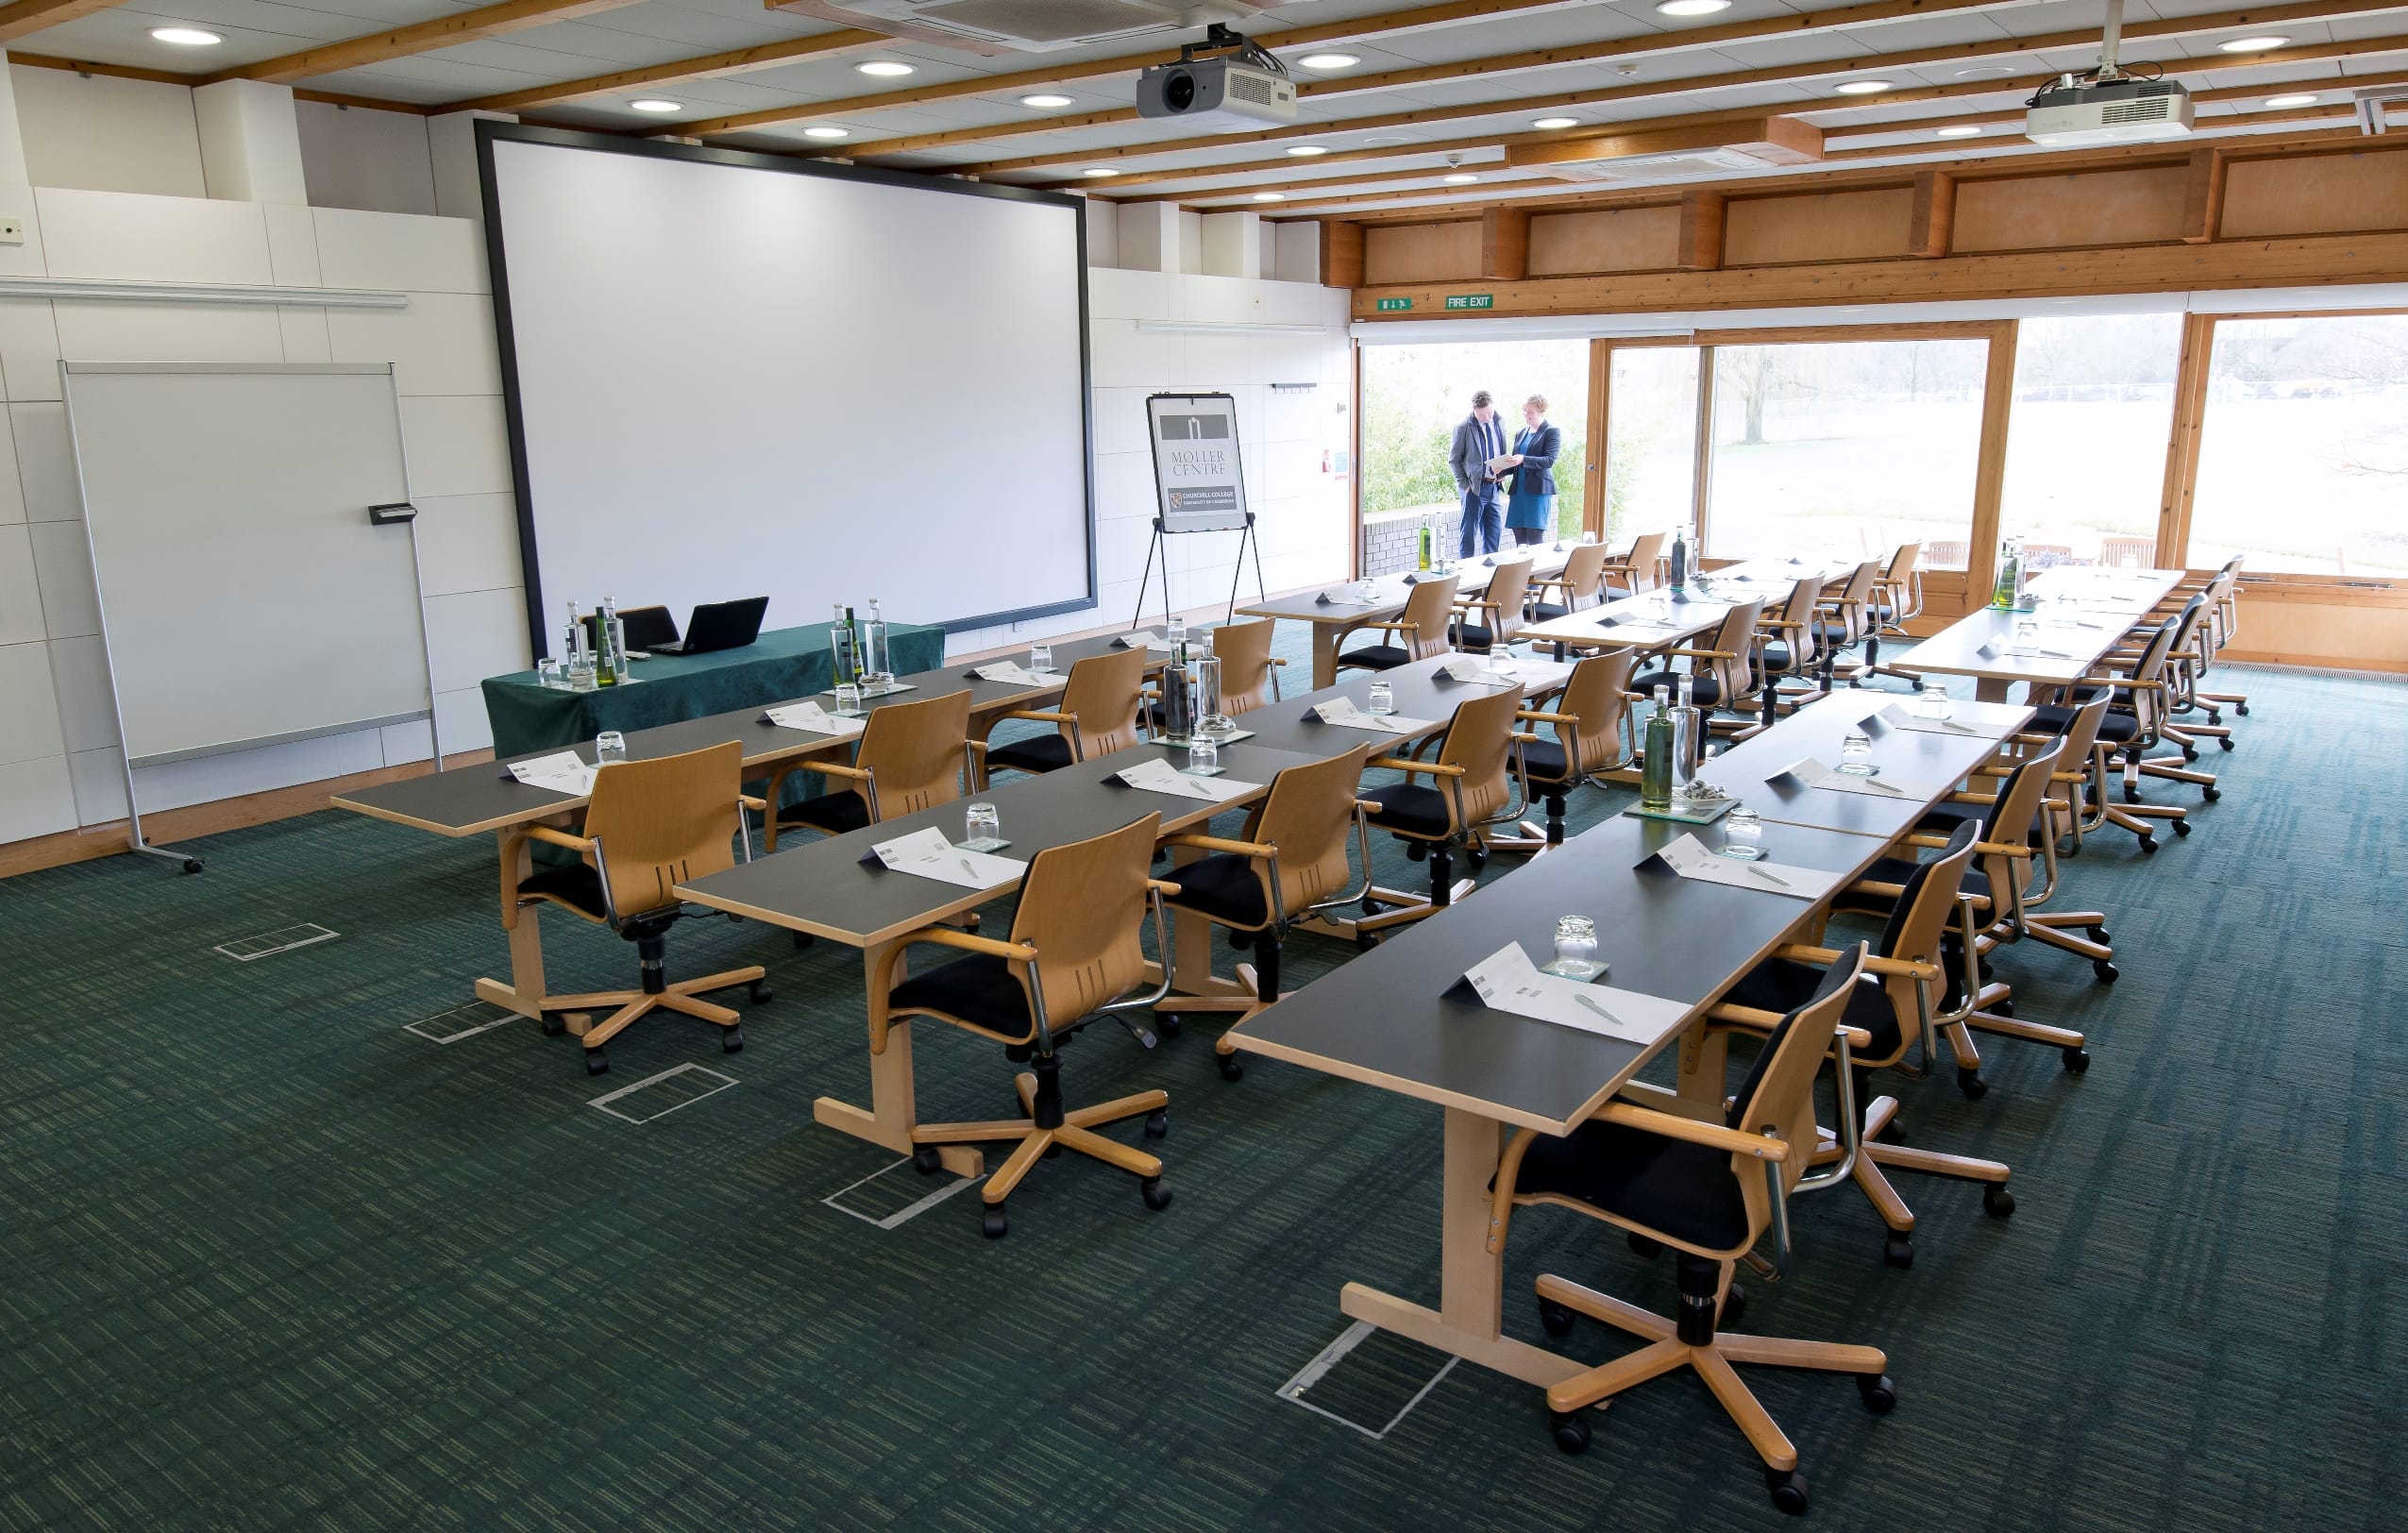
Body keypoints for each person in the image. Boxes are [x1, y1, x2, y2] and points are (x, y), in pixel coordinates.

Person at [1448, 391, 1508, 559]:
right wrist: (1465, 486)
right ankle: (1466, 578)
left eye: (1490, 412)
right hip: (1474, 489)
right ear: (1473, 410)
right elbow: (1453, 460)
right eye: (1482, 415)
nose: (1487, 417)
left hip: (1494, 486)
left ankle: (1490, 578)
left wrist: (1502, 471)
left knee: (1494, 533)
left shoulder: (1500, 421)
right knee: (1468, 535)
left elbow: (1501, 450)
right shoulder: (1463, 427)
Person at [1500, 395, 1562, 548]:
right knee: (1519, 535)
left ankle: (1538, 571)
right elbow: (1516, 462)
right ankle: (1523, 572)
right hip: (1519, 491)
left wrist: (1524, 459)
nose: (1526, 414)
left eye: (1531, 411)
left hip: (1537, 492)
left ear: (1541, 412)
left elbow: (1549, 460)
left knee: (1535, 537)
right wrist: (1501, 471)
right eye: (1524, 411)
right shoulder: (1521, 433)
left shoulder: (1551, 431)